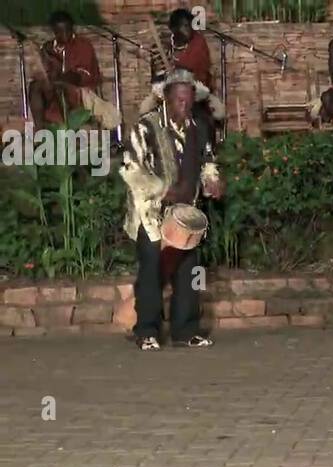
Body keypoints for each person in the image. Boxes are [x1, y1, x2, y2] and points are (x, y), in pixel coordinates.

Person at [119, 69, 225, 351]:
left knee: (188, 271)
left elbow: (207, 162)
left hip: (185, 216)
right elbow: (131, 170)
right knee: (152, 270)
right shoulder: (145, 127)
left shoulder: (200, 127)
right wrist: (165, 190)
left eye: (189, 100)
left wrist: (212, 181)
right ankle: (147, 331)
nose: (184, 105)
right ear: (165, 98)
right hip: (150, 214)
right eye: (179, 99)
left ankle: (185, 330)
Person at [142, 9, 222, 144]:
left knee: (219, 112)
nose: (189, 30)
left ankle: (206, 150)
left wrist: (178, 69)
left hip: (197, 91)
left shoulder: (198, 42)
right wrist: (162, 73)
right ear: (174, 29)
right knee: (144, 110)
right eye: (184, 26)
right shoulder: (163, 46)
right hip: (166, 92)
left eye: (190, 25)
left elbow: (201, 73)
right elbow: (155, 77)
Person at [28, 11, 101, 127]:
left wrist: (57, 80)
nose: (65, 33)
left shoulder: (83, 45)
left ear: (72, 27)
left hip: (79, 88)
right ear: (54, 31)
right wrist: (43, 72)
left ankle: (67, 129)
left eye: (67, 29)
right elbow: (44, 72)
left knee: (61, 86)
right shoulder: (48, 47)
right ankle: (40, 130)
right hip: (54, 88)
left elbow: (81, 75)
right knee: (35, 86)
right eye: (60, 31)